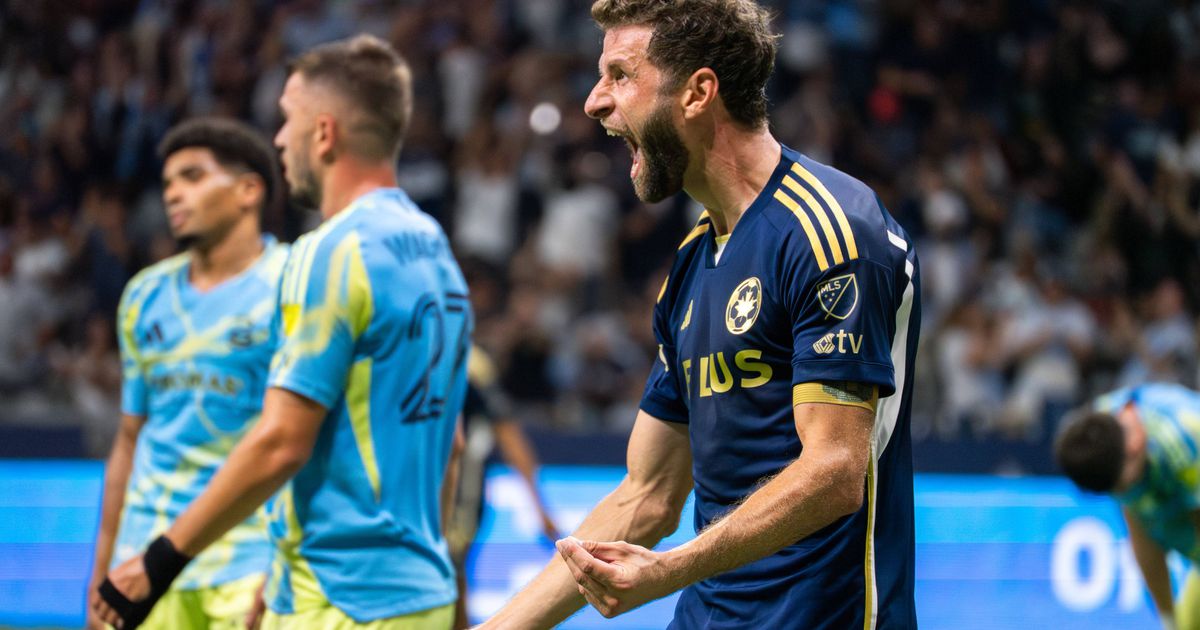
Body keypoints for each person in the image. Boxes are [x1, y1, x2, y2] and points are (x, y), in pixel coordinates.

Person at [482, 1, 922, 628]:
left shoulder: (831, 230)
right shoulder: (693, 263)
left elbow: (834, 471)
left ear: (698, 92)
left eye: (621, 75)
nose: (594, 102)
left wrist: (670, 570)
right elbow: (649, 493)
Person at [94, 34, 472, 630]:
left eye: (286, 120)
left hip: (337, 596)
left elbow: (281, 441)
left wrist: (158, 561)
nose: (277, 140)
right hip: (419, 591)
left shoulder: (329, 252)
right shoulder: (434, 249)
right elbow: (451, 444)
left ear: (323, 133)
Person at [86, 117, 288, 630]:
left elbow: (304, 442)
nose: (174, 194)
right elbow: (129, 440)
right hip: (144, 563)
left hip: (248, 563)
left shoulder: (295, 285)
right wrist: (102, 569)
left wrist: (284, 566)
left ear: (249, 190)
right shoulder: (143, 297)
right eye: (169, 182)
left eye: (193, 177)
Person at [1055, 383, 1200, 630]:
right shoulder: (1099, 434)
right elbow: (1143, 537)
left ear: (1133, 448)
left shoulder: (1188, 439)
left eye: (1122, 486)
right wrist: (1169, 621)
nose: (1125, 495)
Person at [445, 344, 560, 629]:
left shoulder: (470, 363)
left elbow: (506, 431)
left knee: (449, 572)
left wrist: (539, 505)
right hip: (414, 492)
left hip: (459, 492)